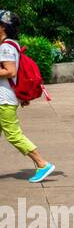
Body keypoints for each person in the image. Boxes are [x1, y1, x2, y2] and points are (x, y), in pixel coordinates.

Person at [0, 10, 55, 182]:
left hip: (4, 99)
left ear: (2, 27)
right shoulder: (10, 44)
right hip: (5, 97)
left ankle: (42, 163)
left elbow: (10, 71)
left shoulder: (6, 47)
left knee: (13, 134)